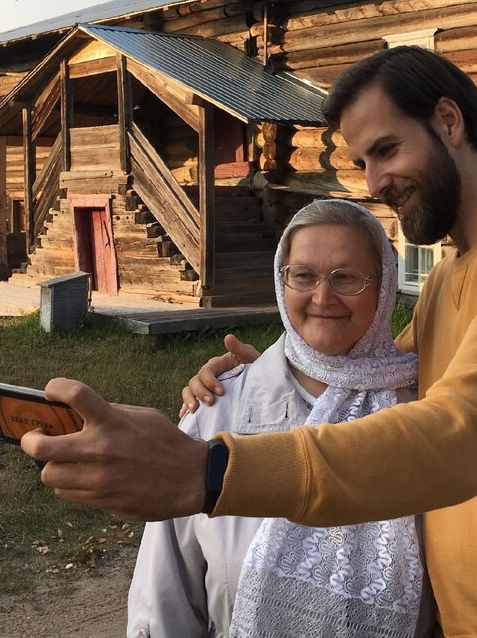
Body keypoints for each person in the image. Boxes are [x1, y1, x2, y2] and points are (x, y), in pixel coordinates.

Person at [23, 46, 477, 635]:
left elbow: (458, 432)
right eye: (362, 162)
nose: (373, 183)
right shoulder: (450, 278)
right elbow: (374, 378)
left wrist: (211, 470)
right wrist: (270, 375)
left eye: (388, 150)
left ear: (449, 123)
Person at [127, 199, 431, 637]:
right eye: (303, 275)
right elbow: (164, 599)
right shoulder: (216, 414)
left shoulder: (424, 415)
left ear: (383, 288)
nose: (322, 298)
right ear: (281, 280)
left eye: (346, 278)